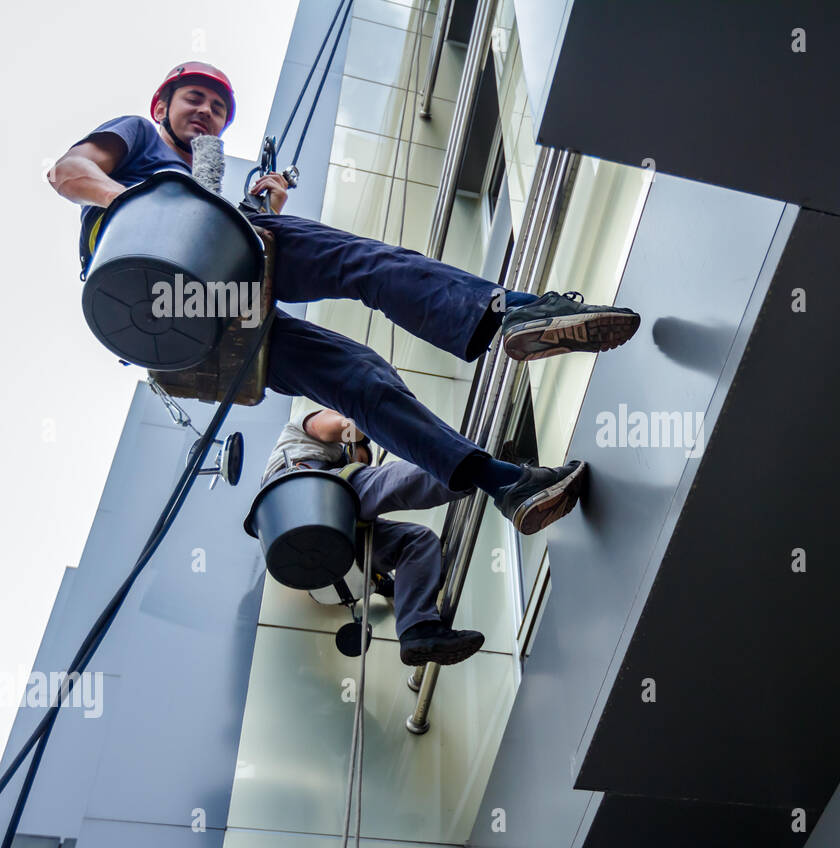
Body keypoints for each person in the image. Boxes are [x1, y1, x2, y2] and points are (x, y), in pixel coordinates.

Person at [47, 61, 641, 534]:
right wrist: (141, 205)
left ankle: (506, 483)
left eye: (219, 107)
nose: (206, 111)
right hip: (172, 278)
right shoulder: (139, 138)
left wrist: (261, 207)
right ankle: (509, 315)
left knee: (362, 378)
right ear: (161, 108)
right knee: (365, 267)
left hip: (214, 311)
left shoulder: (208, 187)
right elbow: (68, 172)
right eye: (193, 100)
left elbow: (234, 240)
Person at [263, 406, 487, 666]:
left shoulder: (341, 472)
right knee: (394, 481)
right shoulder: (302, 425)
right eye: (359, 456)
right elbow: (339, 428)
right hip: (307, 497)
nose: (361, 463)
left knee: (416, 542)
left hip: (336, 528)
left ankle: (418, 630)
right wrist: (375, 414)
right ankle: (473, 467)